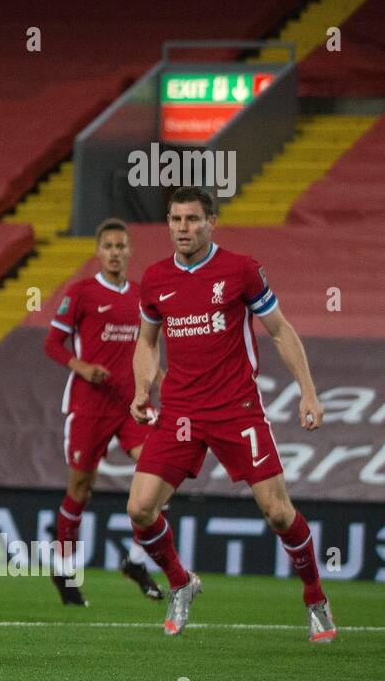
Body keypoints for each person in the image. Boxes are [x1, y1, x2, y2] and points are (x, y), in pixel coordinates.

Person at [128, 186, 333, 641]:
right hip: (180, 409)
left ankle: (315, 596)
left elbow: (280, 332)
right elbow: (146, 342)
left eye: (193, 220)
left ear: (211, 222)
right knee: (141, 509)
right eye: (176, 219)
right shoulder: (156, 279)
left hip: (235, 408)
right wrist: (143, 387)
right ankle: (181, 582)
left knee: (278, 513)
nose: (183, 228)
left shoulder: (241, 270)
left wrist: (308, 393)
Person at [43, 218, 162, 605]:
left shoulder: (143, 297)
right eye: (107, 246)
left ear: (129, 251)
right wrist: (82, 367)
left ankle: (137, 559)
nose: (114, 252)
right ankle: (64, 570)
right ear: (98, 252)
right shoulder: (81, 293)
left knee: (157, 473)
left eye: (120, 246)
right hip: (89, 404)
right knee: (81, 489)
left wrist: (158, 377)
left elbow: (149, 347)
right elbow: (53, 343)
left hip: (132, 405)